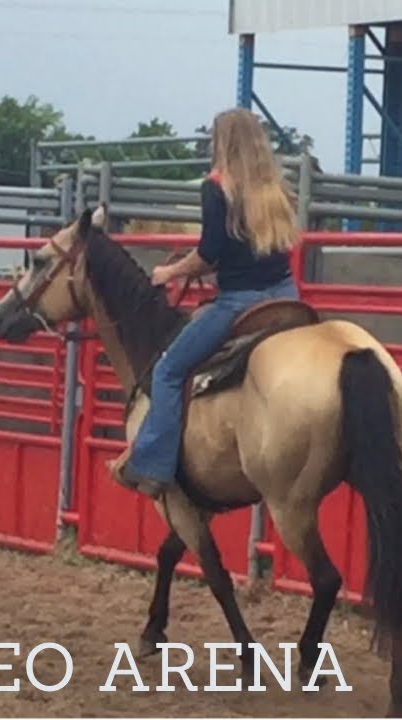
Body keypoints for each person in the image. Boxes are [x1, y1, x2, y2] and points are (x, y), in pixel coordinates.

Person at [111, 107, 302, 498]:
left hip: (239, 303)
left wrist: (172, 272)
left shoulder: (217, 187)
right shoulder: (276, 189)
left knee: (167, 371)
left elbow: (209, 254)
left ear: (222, 141)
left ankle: (153, 466)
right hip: (286, 298)